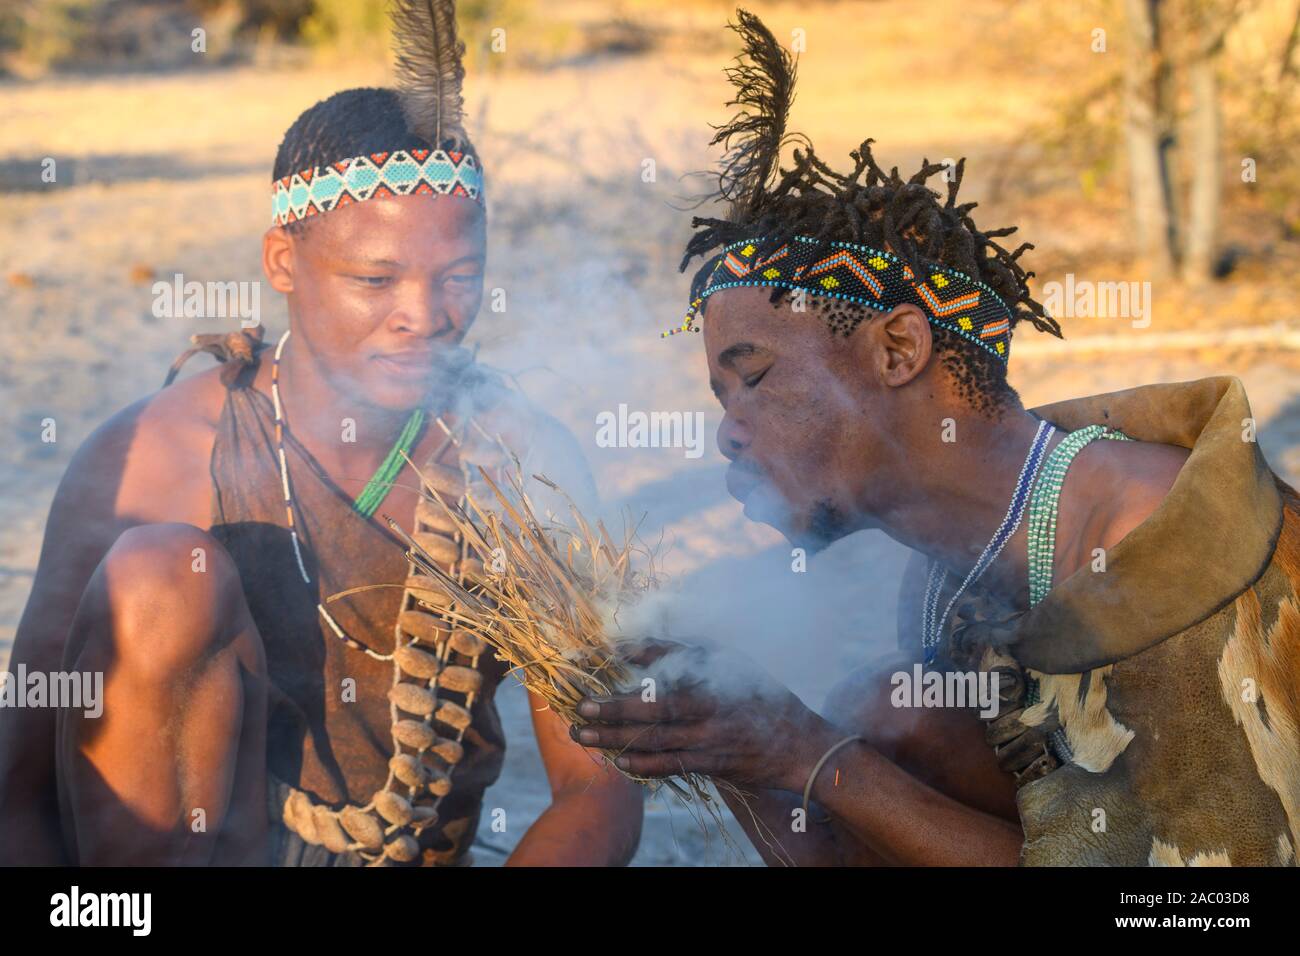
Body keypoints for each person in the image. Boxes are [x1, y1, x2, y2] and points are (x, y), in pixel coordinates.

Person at [573, 9, 1300, 867]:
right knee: (891, 717)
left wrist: (807, 755)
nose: (729, 437)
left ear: (899, 350)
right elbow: (851, 850)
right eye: (721, 397)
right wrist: (731, 738)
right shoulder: (948, 574)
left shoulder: (1160, 546)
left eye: (756, 378)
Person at [0, 0, 641, 866]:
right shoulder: (153, 454)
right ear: (282, 264)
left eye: (460, 276)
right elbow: (21, 784)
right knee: (160, 577)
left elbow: (600, 789)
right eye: (375, 279)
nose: (423, 316)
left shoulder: (523, 463)